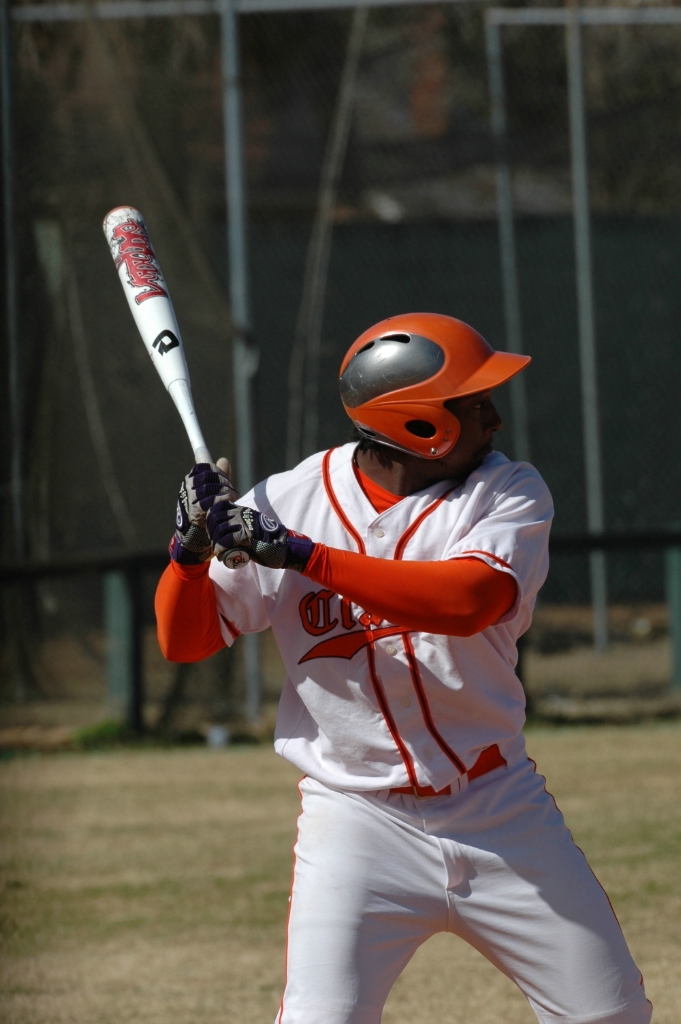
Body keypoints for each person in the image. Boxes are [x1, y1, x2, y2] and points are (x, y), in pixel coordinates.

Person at [155, 313, 651, 1024]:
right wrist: (187, 554)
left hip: (499, 807)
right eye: (470, 403)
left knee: (611, 1016)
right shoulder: (286, 502)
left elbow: (470, 600)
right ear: (420, 424)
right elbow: (187, 639)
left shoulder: (506, 492)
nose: (493, 417)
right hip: (357, 823)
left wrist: (301, 555)